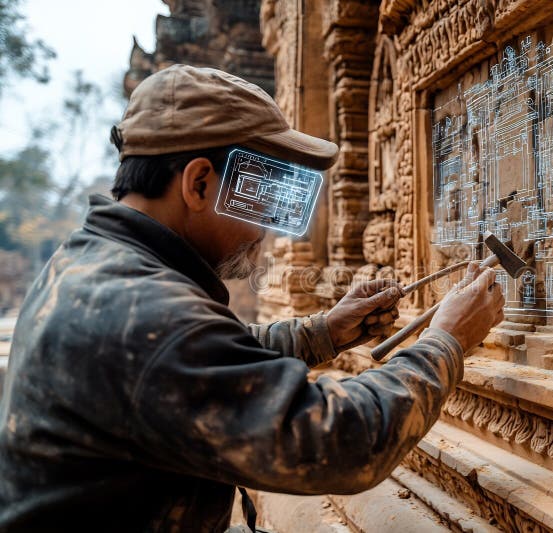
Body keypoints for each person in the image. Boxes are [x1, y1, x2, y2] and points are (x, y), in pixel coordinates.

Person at [0, 65, 505, 532]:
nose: (265, 229)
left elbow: (208, 351)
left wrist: (322, 332)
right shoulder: (143, 311)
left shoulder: (94, 263)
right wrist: (446, 340)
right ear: (199, 183)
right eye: (257, 199)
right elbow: (341, 442)